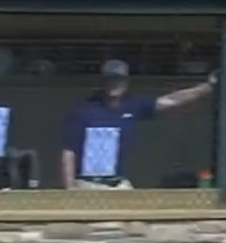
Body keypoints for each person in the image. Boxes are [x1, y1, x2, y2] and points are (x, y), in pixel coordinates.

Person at [61, 61, 214, 189]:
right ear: (102, 82)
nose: (114, 84)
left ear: (126, 82)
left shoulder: (132, 105)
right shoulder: (84, 111)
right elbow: (69, 152)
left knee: (135, 219)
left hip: (118, 183)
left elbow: (170, 100)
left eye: (119, 79)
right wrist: (70, 189)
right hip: (88, 183)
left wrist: (207, 86)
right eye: (110, 79)